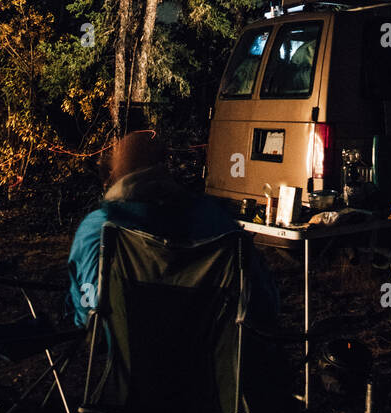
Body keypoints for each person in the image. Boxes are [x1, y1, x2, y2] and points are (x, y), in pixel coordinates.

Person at [68, 129, 279, 331]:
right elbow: (263, 303)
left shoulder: (98, 228)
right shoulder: (216, 220)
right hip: (210, 357)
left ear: (112, 177)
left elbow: (90, 312)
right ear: (165, 168)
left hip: (132, 357)